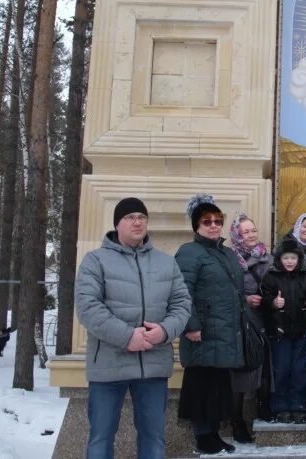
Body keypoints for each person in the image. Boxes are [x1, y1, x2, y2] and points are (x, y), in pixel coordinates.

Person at [75, 197, 191, 459]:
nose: (137, 222)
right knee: (100, 440)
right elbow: (88, 307)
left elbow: (182, 304)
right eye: (130, 217)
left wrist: (164, 331)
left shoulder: (166, 263)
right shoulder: (95, 261)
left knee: (153, 441)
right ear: (117, 224)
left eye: (142, 217)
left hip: (152, 366)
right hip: (108, 367)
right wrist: (127, 337)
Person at [175, 195, 246, 455]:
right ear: (196, 225)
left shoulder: (226, 253)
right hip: (202, 331)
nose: (214, 225)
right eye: (207, 221)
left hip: (224, 330)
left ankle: (214, 434)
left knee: (217, 385)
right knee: (201, 384)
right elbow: (181, 292)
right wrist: (191, 325)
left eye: (218, 220)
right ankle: (203, 436)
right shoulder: (189, 252)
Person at [260, 238, 306, 423]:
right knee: (282, 369)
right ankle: (280, 406)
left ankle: (299, 404)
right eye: (286, 257)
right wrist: (273, 302)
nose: (289, 261)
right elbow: (263, 300)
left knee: (299, 370)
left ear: (299, 259)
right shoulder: (271, 277)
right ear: (279, 259)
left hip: (301, 331)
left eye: (293, 257)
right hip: (280, 333)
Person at [228, 213, 271, 434]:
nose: (252, 235)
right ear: (237, 235)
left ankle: (263, 410)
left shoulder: (267, 257)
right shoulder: (229, 258)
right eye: (246, 232)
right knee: (241, 369)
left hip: (265, 320)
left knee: (265, 369)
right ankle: (237, 420)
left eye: (253, 230)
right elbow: (223, 291)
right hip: (241, 322)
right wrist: (244, 300)